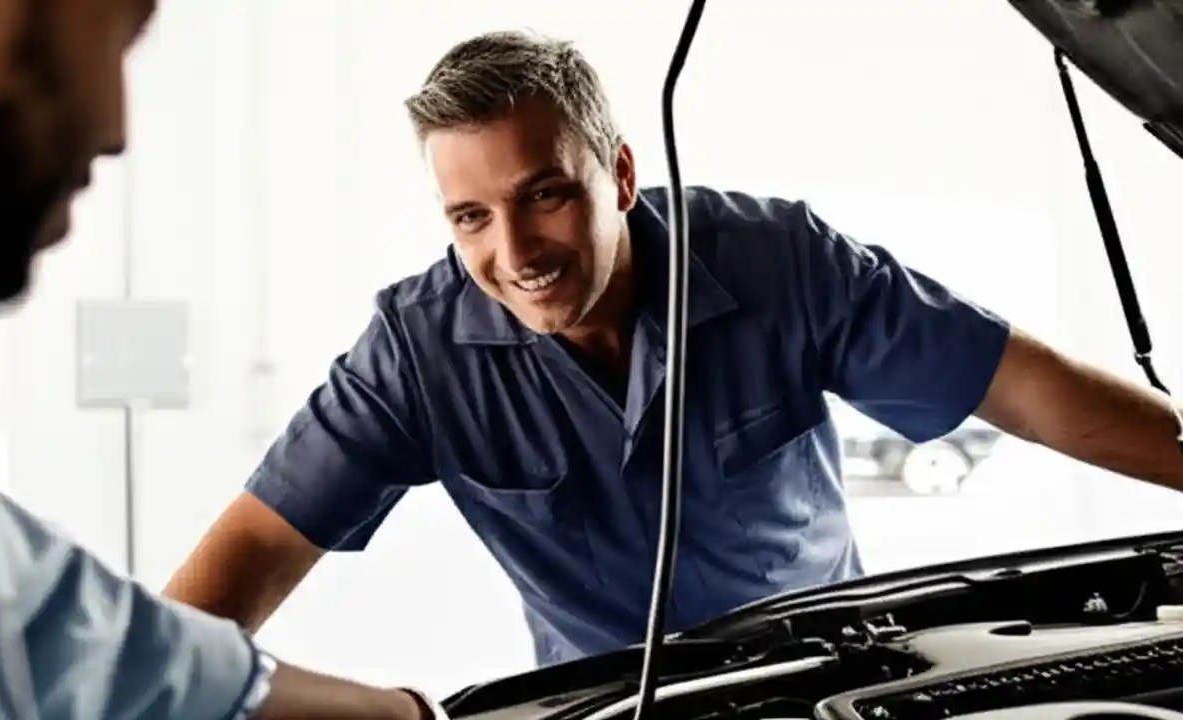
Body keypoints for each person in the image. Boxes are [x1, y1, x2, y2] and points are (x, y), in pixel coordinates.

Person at [164, 29, 1183, 668]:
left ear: (615, 173)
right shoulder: (412, 352)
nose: (512, 254)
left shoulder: (781, 261)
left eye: (543, 196)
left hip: (831, 675)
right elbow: (253, 550)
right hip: (620, 705)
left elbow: (1028, 393)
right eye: (468, 218)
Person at [0, 1, 446, 718]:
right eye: (122, 33)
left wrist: (403, 715)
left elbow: (101, 644)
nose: (117, 126)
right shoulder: (425, 339)